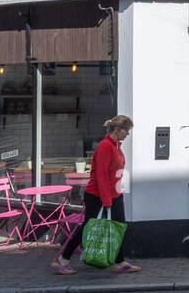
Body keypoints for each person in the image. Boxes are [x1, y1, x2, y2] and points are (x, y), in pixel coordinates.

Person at [53, 116, 141, 274]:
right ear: (118, 129)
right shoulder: (105, 146)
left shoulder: (116, 146)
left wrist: (117, 193)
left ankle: (119, 262)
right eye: (126, 131)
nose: (127, 135)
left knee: (118, 227)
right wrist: (107, 200)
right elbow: (101, 176)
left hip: (114, 193)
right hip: (97, 195)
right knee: (88, 228)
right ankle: (63, 259)